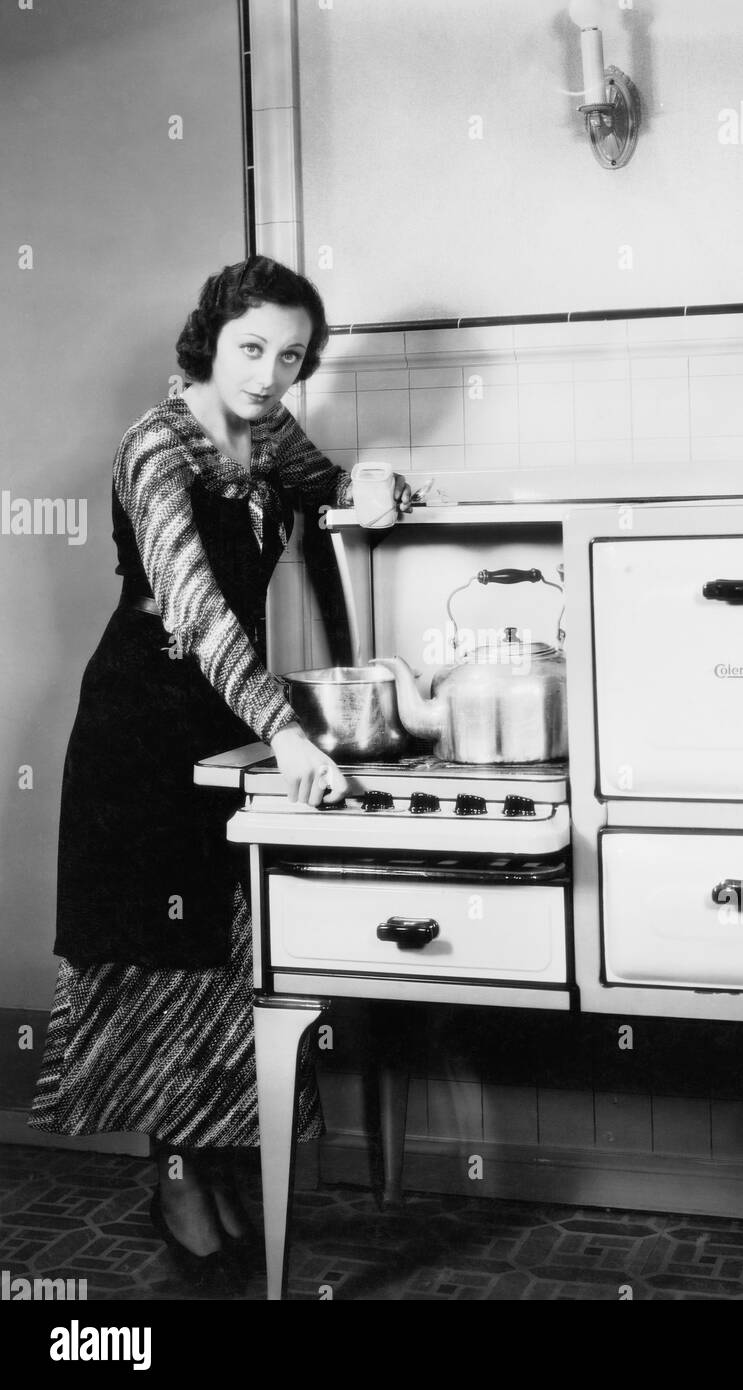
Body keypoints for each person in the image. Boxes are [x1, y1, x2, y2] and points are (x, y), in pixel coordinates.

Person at [29, 255, 411, 1290]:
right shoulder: (155, 445)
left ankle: (216, 1167)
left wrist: (375, 487)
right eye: (252, 349)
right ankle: (179, 1179)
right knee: (162, 961)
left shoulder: (268, 430)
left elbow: (326, 485)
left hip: (226, 715)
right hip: (144, 726)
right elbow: (194, 606)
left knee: (230, 957)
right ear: (211, 337)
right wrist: (286, 734)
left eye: (291, 356)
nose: (269, 374)